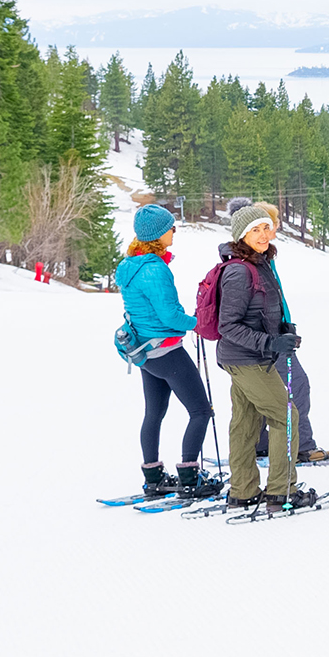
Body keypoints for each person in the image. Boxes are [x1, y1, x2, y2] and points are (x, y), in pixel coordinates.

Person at [115, 203, 224, 500]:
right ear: (158, 234)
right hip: (167, 351)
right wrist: (200, 323)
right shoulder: (155, 269)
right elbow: (170, 317)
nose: (174, 231)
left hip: (144, 354)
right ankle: (190, 478)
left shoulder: (128, 266)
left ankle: (153, 478)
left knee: (154, 413)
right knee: (201, 411)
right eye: (171, 227)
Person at [214, 202, 329, 466]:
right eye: (260, 227)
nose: (269, 232)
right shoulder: (243, 267)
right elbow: (231, 322)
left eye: (270, 225)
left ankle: (260, 448)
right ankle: (301, 448)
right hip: (258, 348)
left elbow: (270, 301)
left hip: (266, 341)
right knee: (294, 391)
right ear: (245, 232)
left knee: (252, 408)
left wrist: (283, 325)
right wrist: (273, 340)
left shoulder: (263, 259)